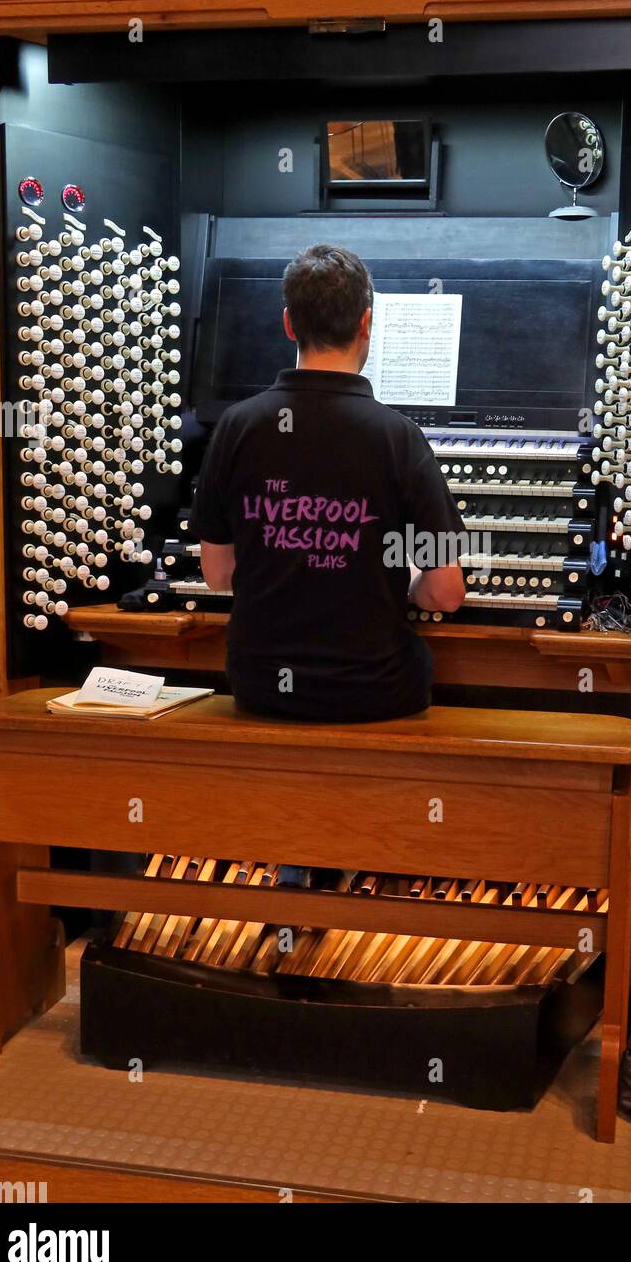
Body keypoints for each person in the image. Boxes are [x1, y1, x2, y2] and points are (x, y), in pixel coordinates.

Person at [188, 244, 466, 884]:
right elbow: (448, 593)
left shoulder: (237, 426)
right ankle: (389, 860)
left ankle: (302, 851)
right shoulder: (396, 435)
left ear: (288, 324)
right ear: (368, 322)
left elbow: (218, 576)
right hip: (372, 689)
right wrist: (404, 583)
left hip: (259, 684)